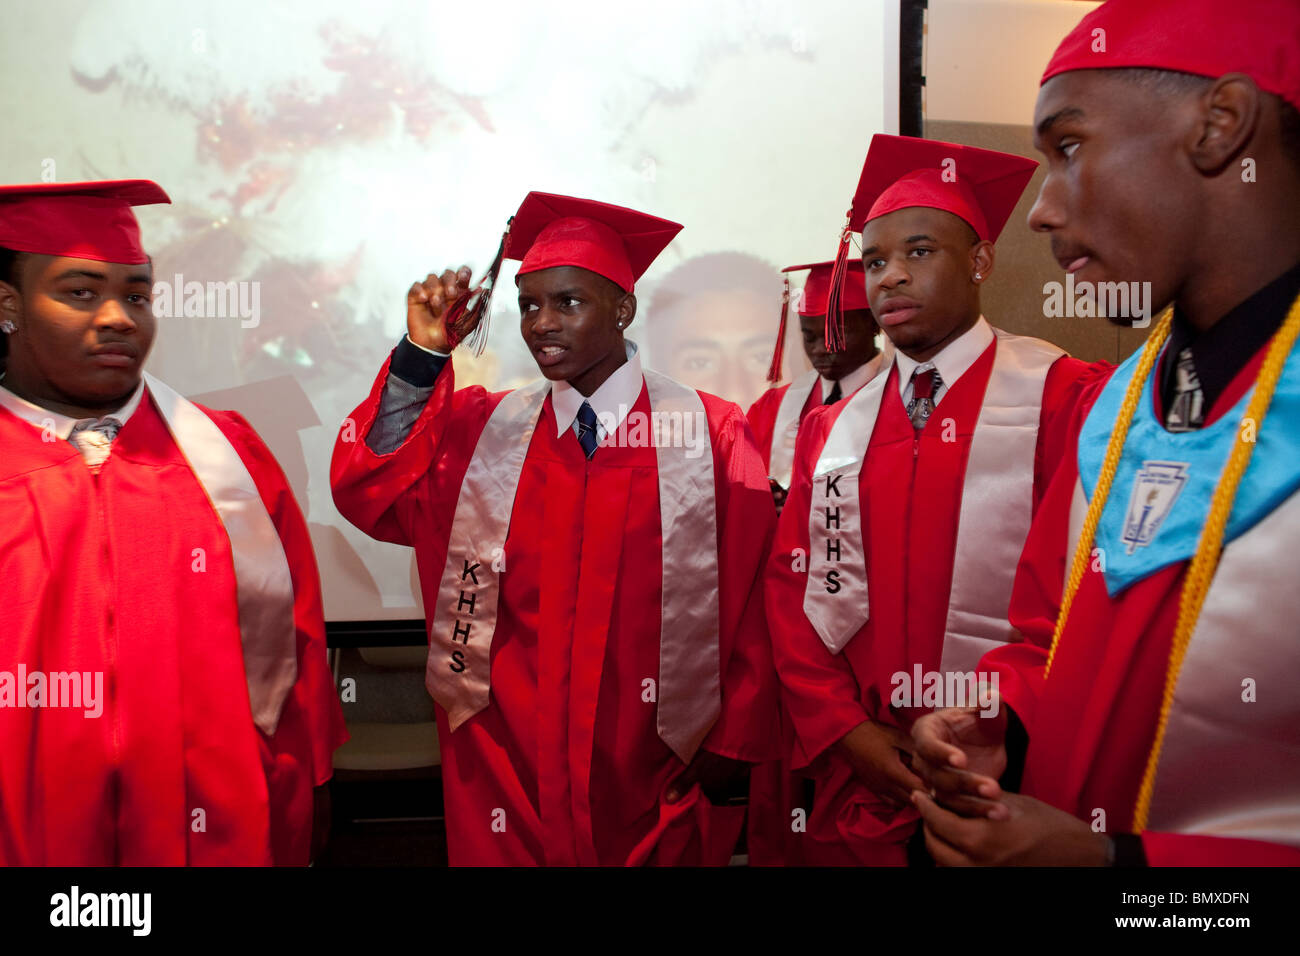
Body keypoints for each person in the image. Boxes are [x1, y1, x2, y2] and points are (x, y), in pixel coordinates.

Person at [911, 0, 1300, 866]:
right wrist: (998, 717)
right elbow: (1049, 636)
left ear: (1221, 126)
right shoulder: (1122, 410)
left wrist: (1124, 876)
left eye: (1069, 147)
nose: (1041, 211)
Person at [331, 191, 778, 866]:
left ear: (622, 309)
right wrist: (423, 355)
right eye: (529, 304)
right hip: (506, 763)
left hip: (653, 765)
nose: (542, 323)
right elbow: (370, 491)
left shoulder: (708, 432)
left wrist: (734, 740)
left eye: (568, 302)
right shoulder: (485, 432)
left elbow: (755, 595)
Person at [765, 135, 1106, 865]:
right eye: (875, 261)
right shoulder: (831, 429)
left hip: (1013, 782)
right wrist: (844, 732)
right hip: (862, 778)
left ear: (981, 261)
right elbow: (793, 591)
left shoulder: (1067, 399)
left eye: (919, 252)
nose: (890, 278)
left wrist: (993, 723)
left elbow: (1086, 595)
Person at [0, 180, 345, 865]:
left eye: (135, 295)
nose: (119, 318)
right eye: (79, 291)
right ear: (8, 306)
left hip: (215, 830)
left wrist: (313, 782)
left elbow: (294, 642)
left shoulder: (227, 459)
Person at [747, 259, 883, 513]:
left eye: (835, 335)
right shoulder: (772, 408)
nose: (820, 349)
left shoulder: (905, 397)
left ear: (874, 324)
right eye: (809, 337)